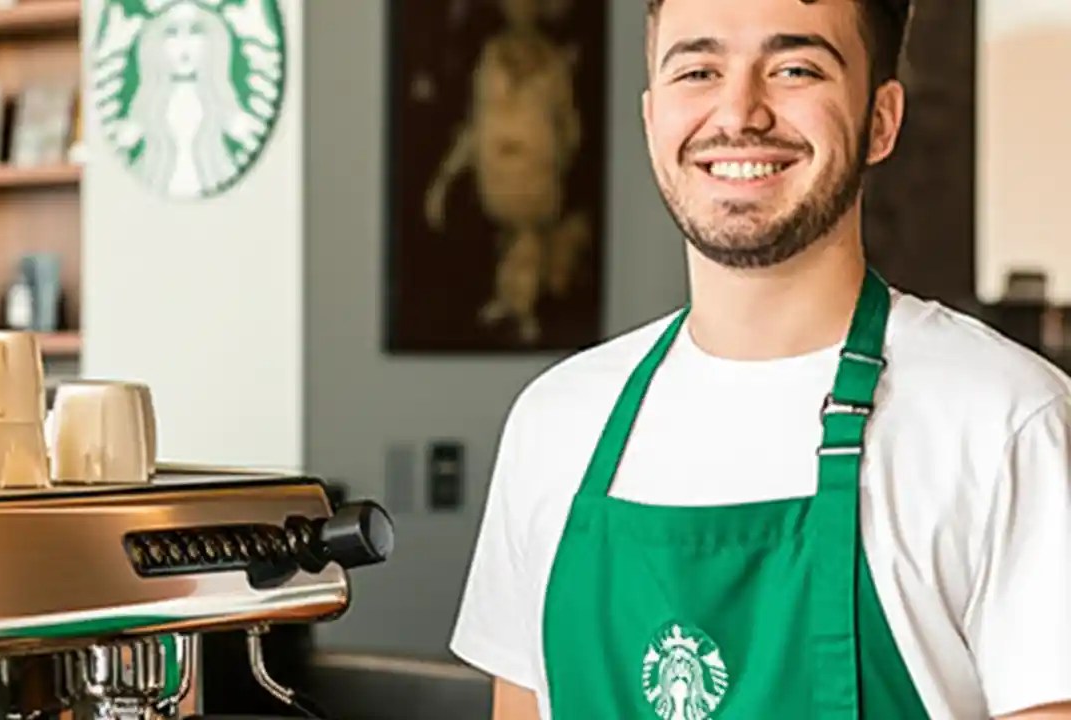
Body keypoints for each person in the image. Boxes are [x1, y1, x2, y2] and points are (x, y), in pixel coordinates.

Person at [449, 0, 1071, 718]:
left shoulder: (1006, 425)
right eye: (699, 70)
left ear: (881, 120)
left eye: (795, 68)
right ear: (652, 116)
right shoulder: (554, 424)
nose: (739, 112)